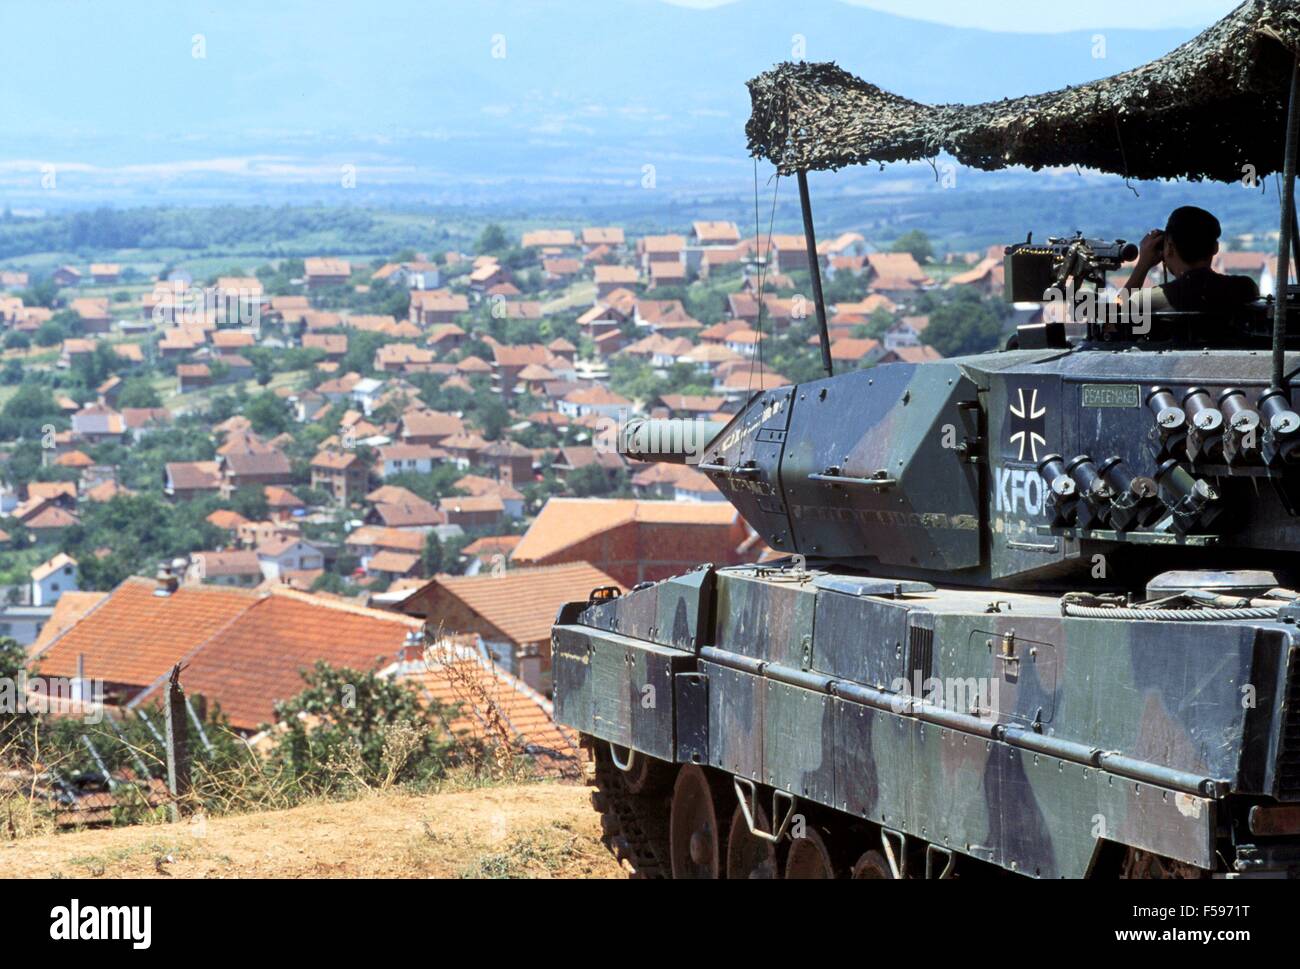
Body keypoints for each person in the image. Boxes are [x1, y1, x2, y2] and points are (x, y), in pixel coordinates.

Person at [1123, 205, 1259, 315]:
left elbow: (1112, 318)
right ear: (1215, 248)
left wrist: (1143, 265)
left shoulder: (1146, 301)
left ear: (1169, 247)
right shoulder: (1245, 288)